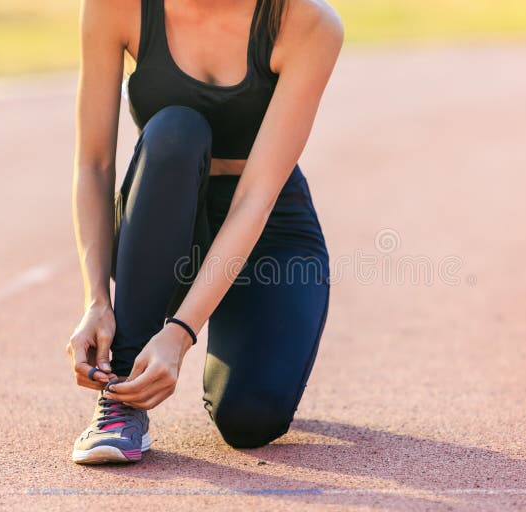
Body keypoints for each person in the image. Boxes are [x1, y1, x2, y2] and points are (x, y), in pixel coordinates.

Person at [66, 0, 343, 464]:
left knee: (251, 420)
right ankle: (119, 403)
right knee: (176, 131)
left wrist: (180, 333)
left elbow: (254, 199)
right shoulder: (114, 6)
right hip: (165, 208)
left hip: (266, 224)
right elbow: (93, 164)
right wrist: (96, 299)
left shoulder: (306, 22)